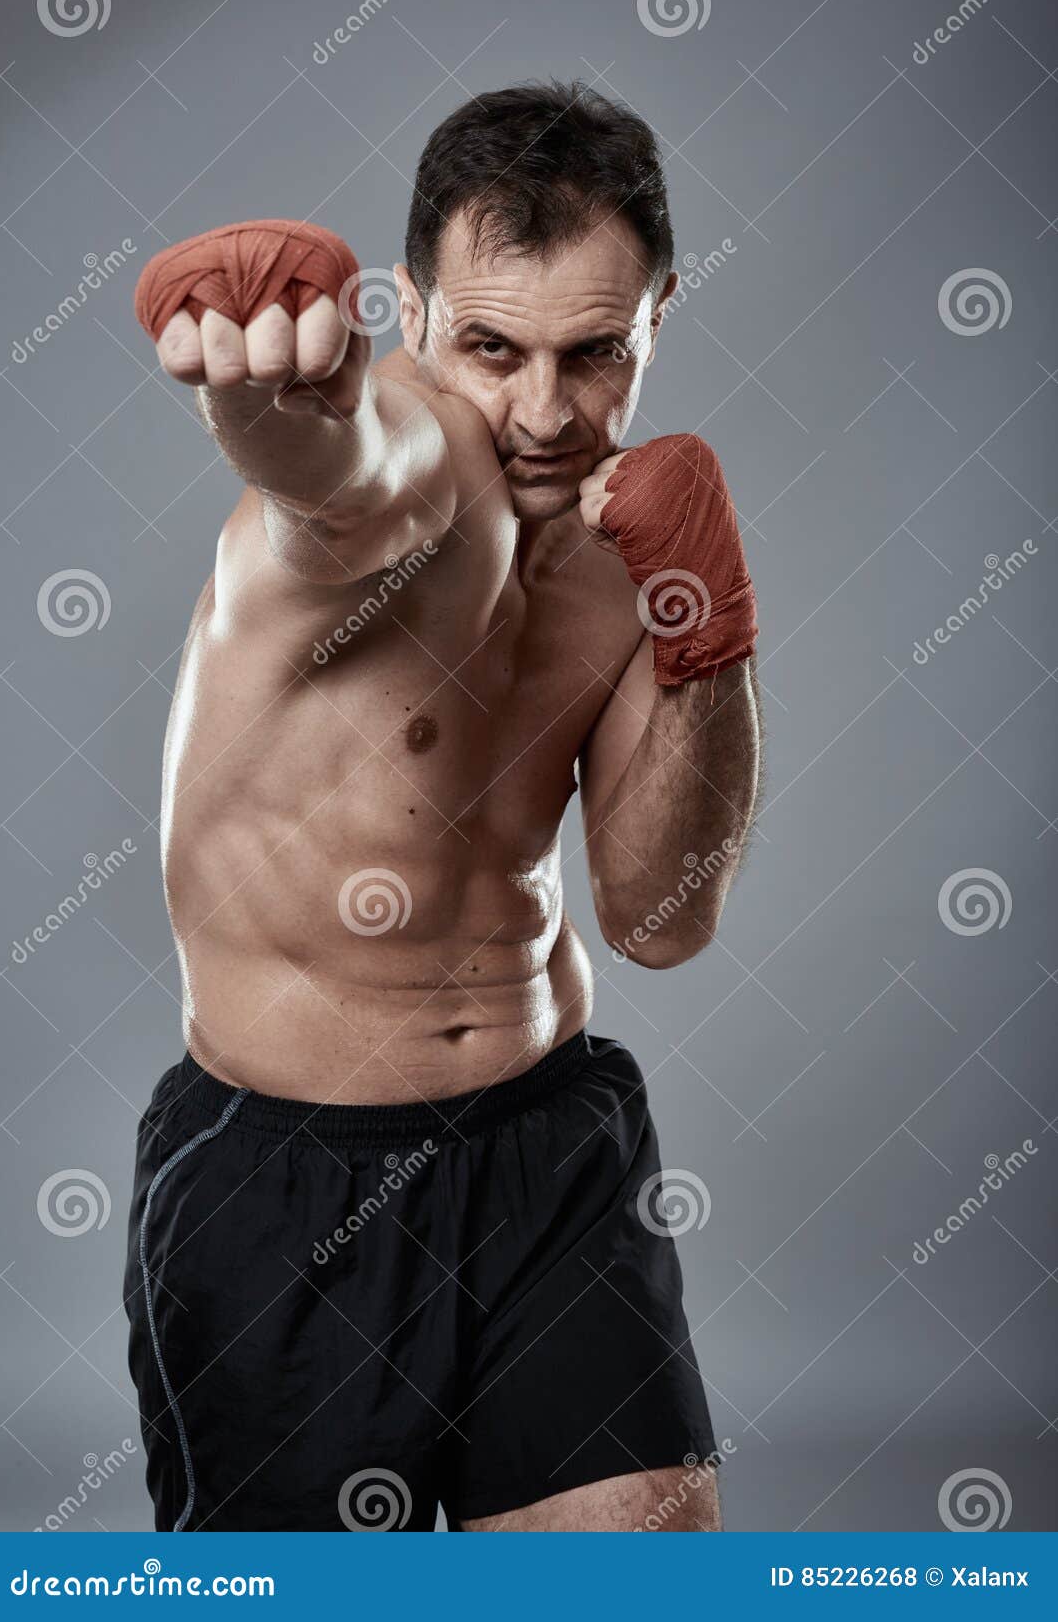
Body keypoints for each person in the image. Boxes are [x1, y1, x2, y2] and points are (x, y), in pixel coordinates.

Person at [123, 79, 761, 1533]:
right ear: (411, 314)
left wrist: (708, 639)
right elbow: (341, 481)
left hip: (550, 1147)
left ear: (659, 315)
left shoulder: (627, 528)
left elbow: (661, 919)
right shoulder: (410, 477)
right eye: (491, 347)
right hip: (294, 1186)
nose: (543, 414)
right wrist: (271, 398)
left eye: (596, 353)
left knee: (650, 1546)